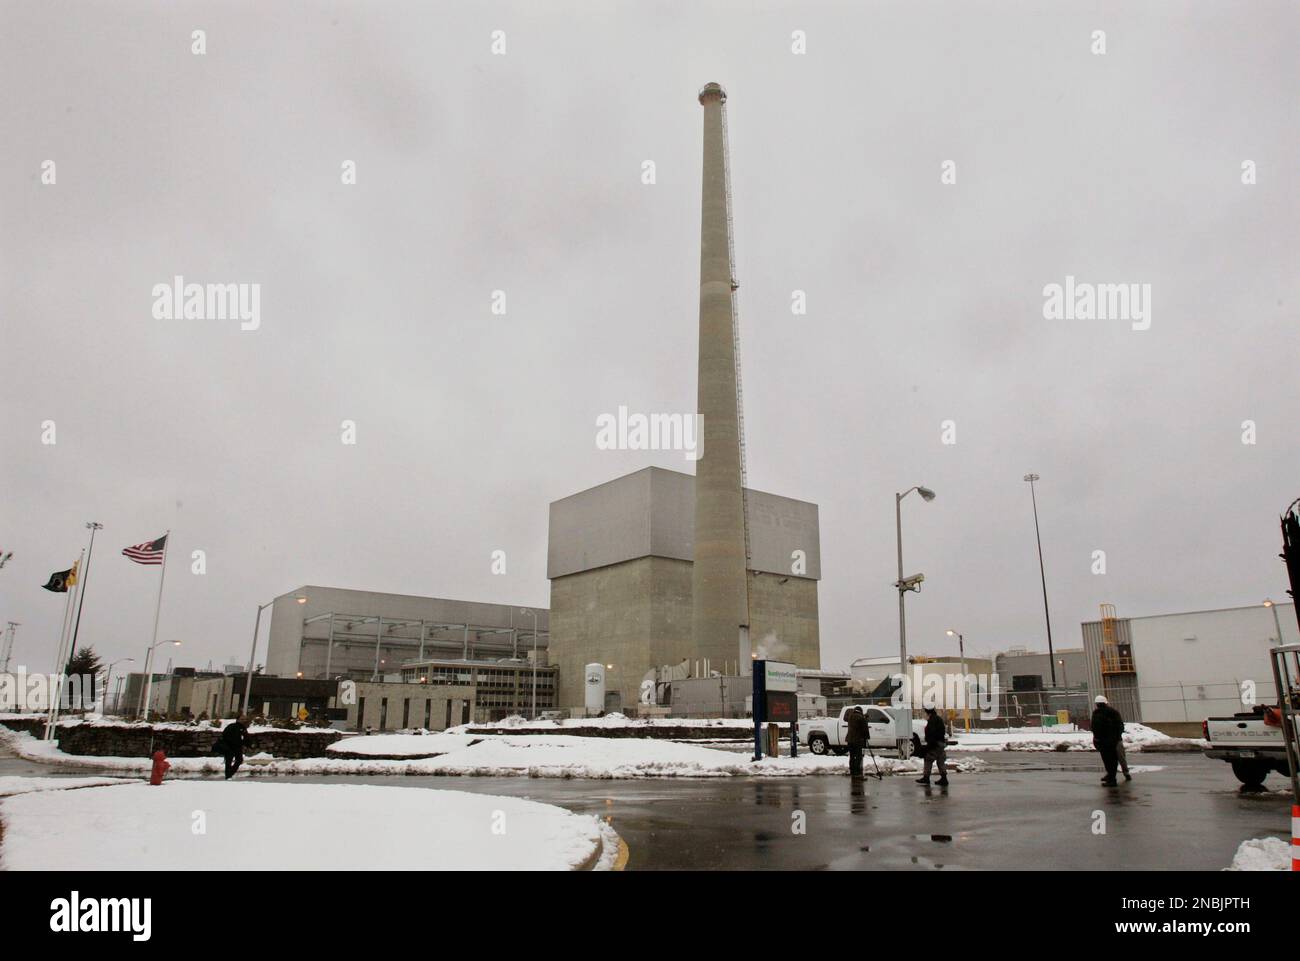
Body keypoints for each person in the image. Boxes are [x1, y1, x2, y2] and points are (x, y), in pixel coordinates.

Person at [1091, 695, 1124, 785]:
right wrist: (1117, 737)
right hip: (1112, 741)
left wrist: (1096, 739)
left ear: (1097, 704)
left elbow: (1094, 728)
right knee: (1113, 760)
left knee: (1107, 760)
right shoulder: (1113, 712)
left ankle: (1111, 779)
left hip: (1102, 741)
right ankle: (1111, 776)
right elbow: (1120, 726)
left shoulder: (1096, 713)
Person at [915, 707, 949, 786]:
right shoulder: (938, 719)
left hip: (935, 743)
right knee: (940, 760)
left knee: (928, 759)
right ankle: (944, 778)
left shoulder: (932, 720)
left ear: (928, 712)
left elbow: (932, 733)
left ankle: (926, 777)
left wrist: (929, 745)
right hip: (940, 743)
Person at [219, 716, 252, 780]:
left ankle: (231, 773)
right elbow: (225, 735)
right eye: (241, 719)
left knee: (239, 760)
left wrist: (249, 745)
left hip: (238, 747)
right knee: (229, 761)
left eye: (244, 719)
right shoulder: (231, 726)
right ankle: (228, 776)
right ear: (237, 720)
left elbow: (246, 737)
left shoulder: (243, 728)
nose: (243, 720)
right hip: (229, 746)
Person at [845, 706, 867, 778]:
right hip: (857, 740)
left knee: (852, 756)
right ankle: (857, 773)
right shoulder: (861, 718)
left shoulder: (850, 717)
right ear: (861, 711)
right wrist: (866, 738)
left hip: (849, 740)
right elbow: (864, 730)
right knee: (858, 757)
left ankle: (852, 771)